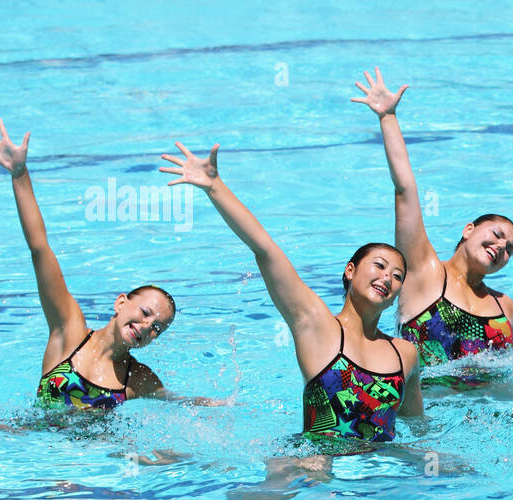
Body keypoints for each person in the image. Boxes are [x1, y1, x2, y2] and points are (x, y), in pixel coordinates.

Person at [159, 142, 421, 441]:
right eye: (379, 265)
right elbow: (265, 249)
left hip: (382, 471)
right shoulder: (316, 325)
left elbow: (417, 425)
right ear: (350, 270)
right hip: (318, 464)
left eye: (397, 275)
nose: (387, 277)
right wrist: (215, 186)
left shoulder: (405, 353)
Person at [0, 120, 177, 409]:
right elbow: (39, 247)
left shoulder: (139, 379)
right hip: (35, 446)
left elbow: (182, 404)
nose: (147, 326)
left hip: (99, 454)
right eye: (146, 313)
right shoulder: (69, 329)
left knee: (162, 456)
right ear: (120, 302)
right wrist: (19, 174)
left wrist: (222, 404)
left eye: (157, 328)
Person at [353, 69, 513, 384]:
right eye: (497, 235)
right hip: (430, 422)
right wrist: (388, 118)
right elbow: (405, 191)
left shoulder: (505, 307)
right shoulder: (424, 272)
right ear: (468, 229)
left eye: (509, 249)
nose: (501, 247)